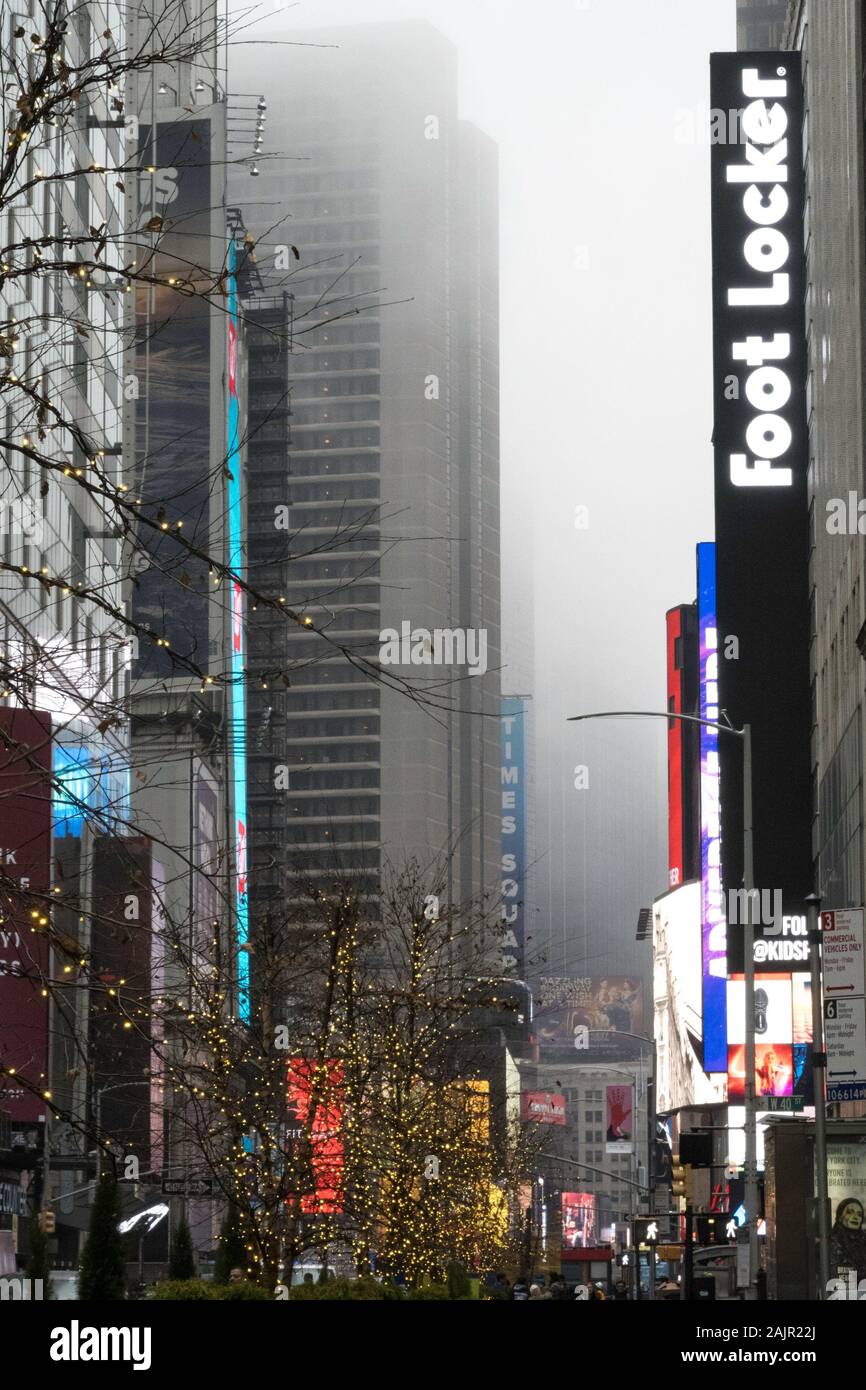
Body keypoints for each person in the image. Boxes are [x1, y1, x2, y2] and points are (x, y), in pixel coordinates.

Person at [830, 1197, 866, 1281]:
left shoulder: (863, 1241)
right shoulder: (832, 1242)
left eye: (859, 1214)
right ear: (839, 1216)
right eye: (850, 1212)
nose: (855, 1217)